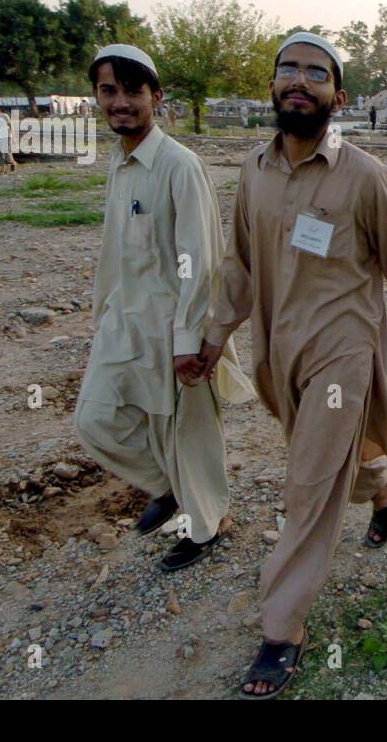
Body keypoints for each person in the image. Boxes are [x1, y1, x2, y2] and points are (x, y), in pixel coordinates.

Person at [194, 32, 387, 699]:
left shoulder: (363, 173)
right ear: (272, 88)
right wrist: (217, 335)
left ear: (338, 95)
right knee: (334, 467)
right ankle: (385, 489)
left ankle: (282, 629)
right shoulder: (254, 170)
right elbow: (239, 264)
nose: (300, 81)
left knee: (306, 485)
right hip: (280, 353)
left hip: (342, 351)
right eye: (288, 70)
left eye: (316, 74)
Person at [73, 44, 255, 574]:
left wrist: (188, 342)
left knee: (189, 434)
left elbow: (197, 261)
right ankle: (167, 488)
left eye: (132, 91)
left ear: (156, 97)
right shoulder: (120, 162)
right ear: (97, 98)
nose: (121, 103)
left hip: (177, 327)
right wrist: (104, 314)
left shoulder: (179, 165)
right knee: (95, 419)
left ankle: (208, 524)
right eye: (109, 91)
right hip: (123, 324)